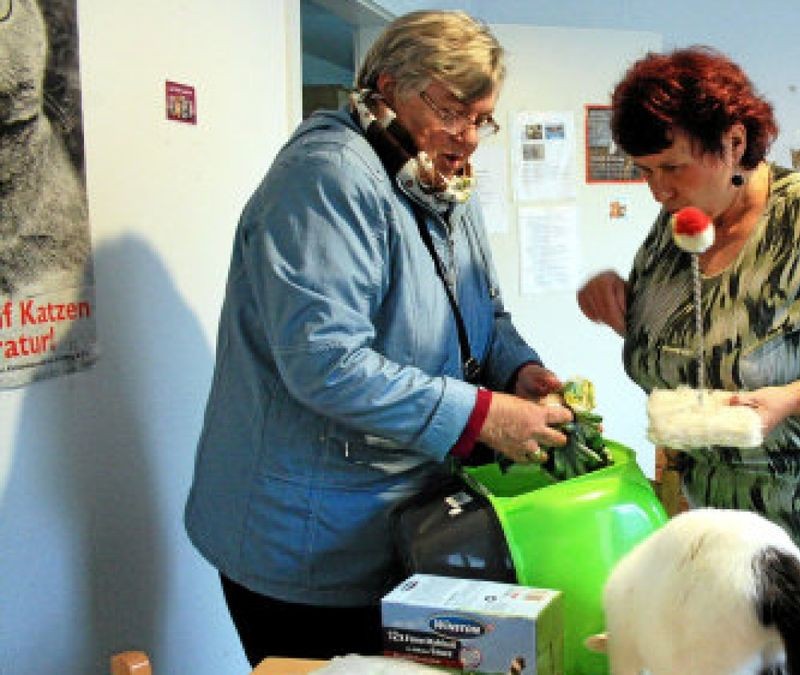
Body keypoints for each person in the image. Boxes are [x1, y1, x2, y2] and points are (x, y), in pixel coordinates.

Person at [185, 11, 572, 667]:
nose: (470, 137)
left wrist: (517, 373)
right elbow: (325, 363)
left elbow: (484, 313)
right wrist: (483, 415)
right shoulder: (327, 177)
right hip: (305, 543)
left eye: (483, 119)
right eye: (454, 112)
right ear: (388, 86)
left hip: (391, 524)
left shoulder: (440, 177)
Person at [576, 46, 800, 674]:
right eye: (644, 170)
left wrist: (796, 396)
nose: (657, 189)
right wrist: (618, 303)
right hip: (715, 514)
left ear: (734, 143)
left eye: (672, 166)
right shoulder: (678, 224)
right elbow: (688, 341)